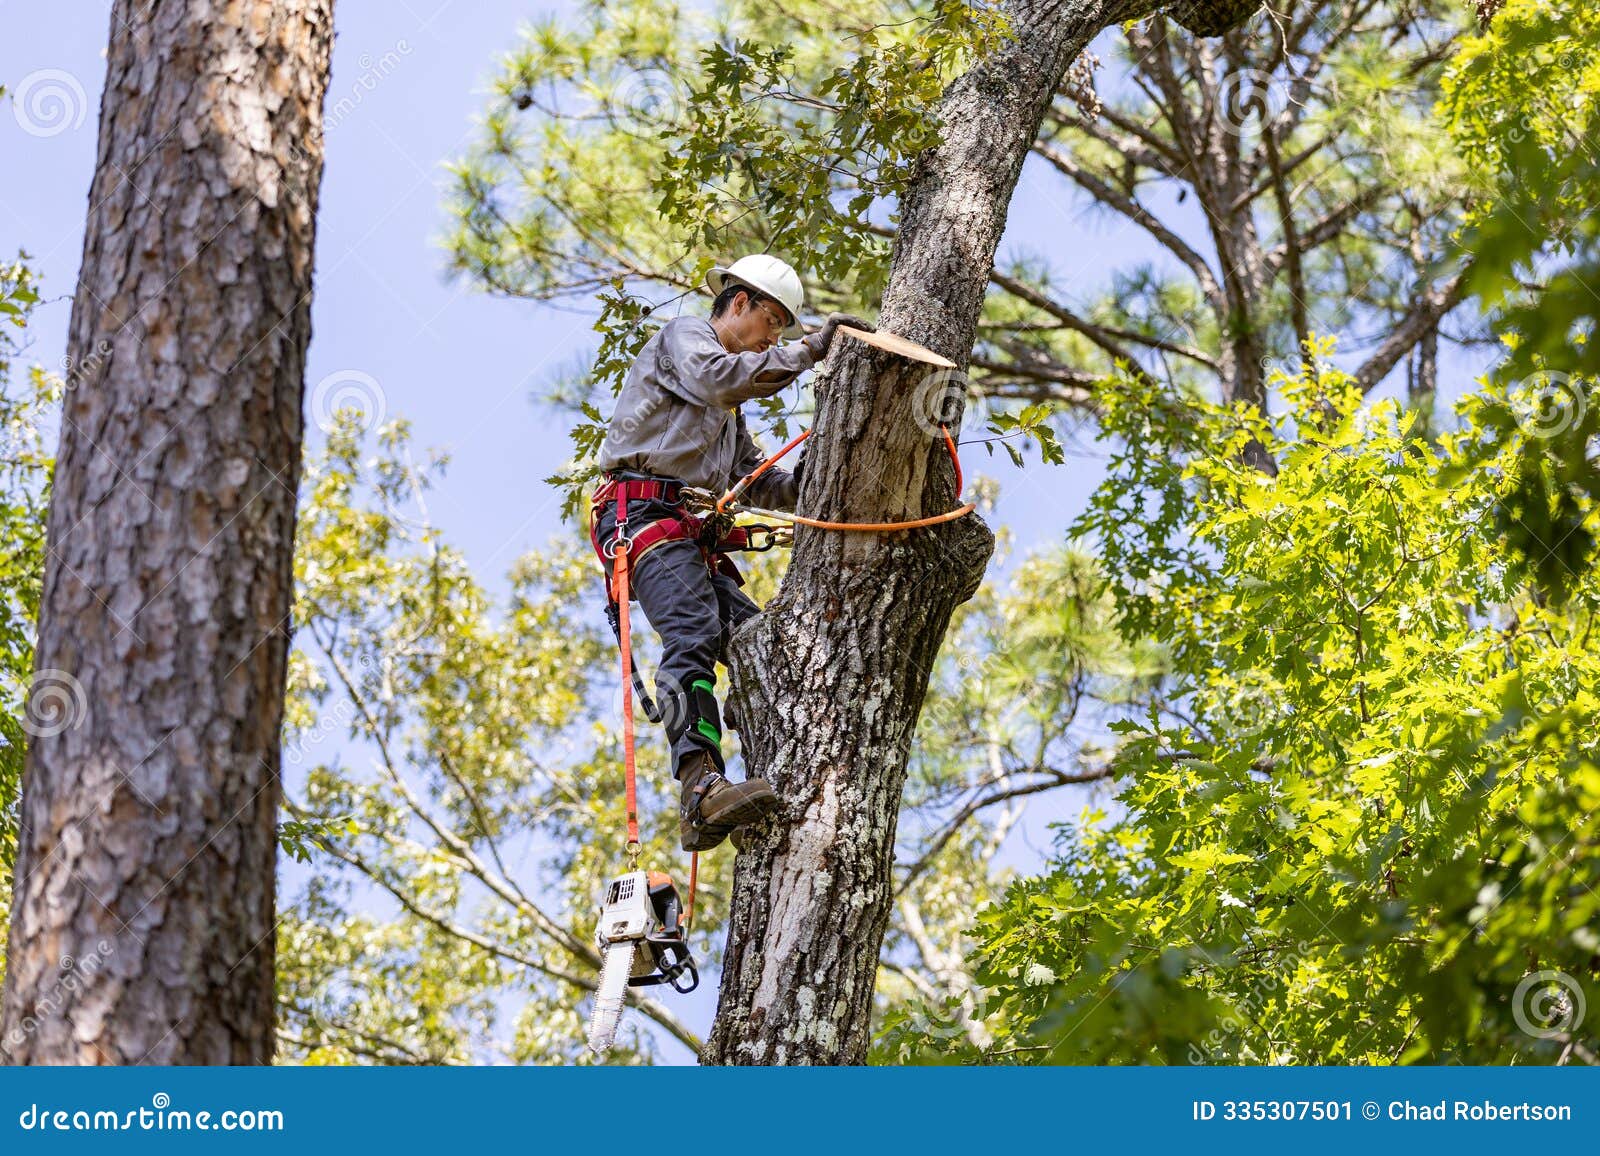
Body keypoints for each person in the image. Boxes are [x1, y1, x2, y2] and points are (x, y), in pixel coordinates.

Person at [591, 254, 872, 851]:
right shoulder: (688, 340)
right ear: (738, 303)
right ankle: (700, 787)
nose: (774, 339)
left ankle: (754, 742)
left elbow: (751, 478)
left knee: (761, 640)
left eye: (783, 332)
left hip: (684, 532)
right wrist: (814, 349)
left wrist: (827, 468)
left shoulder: (728, 412)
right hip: (642, 518)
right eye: (772, 323)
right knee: (691, 634)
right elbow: (720, 378)